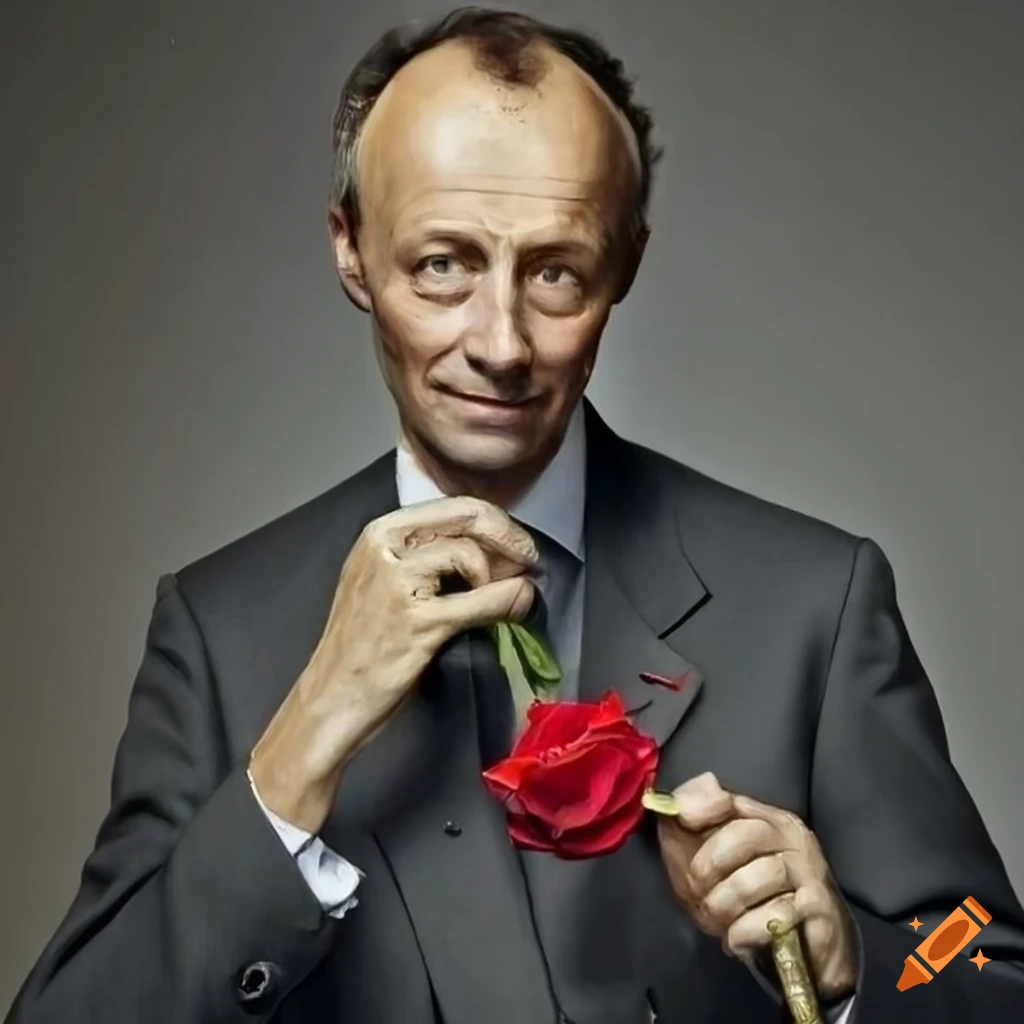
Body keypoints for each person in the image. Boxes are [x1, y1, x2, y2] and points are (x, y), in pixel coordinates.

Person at [7, 8, 1024, 1023]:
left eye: (554, 272)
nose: (500, 342)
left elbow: (978, 957)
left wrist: (855, 965)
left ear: (622, 265)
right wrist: (300, 744)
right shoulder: (218, 630)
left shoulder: (814, 601)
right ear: (351, 251)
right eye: (441, 264)